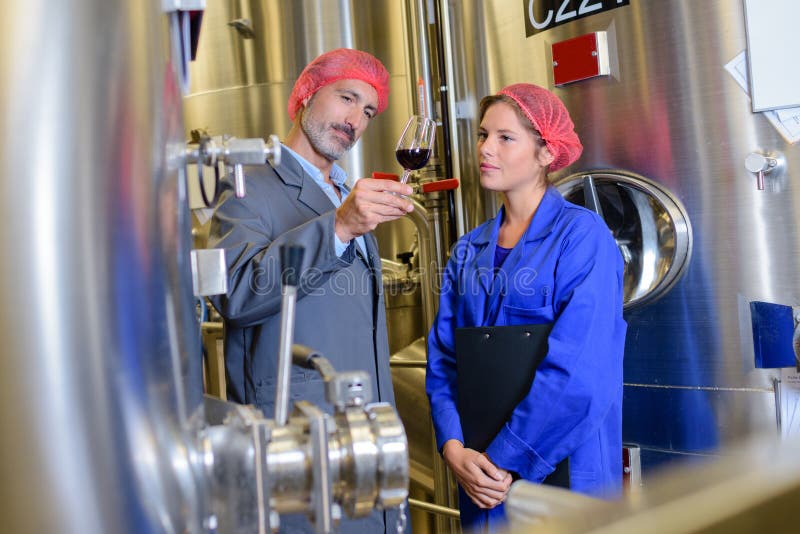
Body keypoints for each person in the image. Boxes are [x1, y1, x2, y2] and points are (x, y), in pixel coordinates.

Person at [208, 48, 414, 533]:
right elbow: (236, 292)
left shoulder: (344, 192)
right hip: (298, 439)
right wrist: (338, 228)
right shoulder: (247, 185)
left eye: (368, 111)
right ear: (305, 95)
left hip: (363, 436)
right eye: (346, 98)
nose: (355, 121)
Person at [426, 83, 626, 531]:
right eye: (483, 135)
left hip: (559, 468)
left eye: (505, 138)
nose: (485, 148)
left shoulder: (581, 237)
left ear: (546, 152)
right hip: (479, 474)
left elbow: (581, 371)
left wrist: (505, 459)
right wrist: (453, 447)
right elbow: (444, 361)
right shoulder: (467, 250)